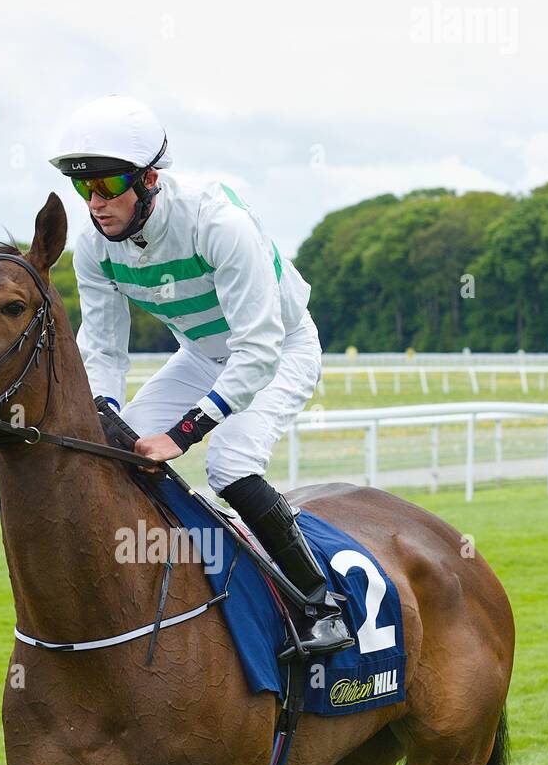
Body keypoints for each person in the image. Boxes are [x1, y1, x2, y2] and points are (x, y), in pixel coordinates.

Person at [50, 94, 352, 654]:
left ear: (149, 179)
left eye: (109, 187)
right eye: (83, 189)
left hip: (279, 349)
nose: (95, 203)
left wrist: (182, 434)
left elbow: (258, 348)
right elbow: (105, 351)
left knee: (230, 463)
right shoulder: (92, 249)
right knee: (117, 457)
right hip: (200, 355)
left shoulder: (218, 223)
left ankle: (320, 604)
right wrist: (108, 411)